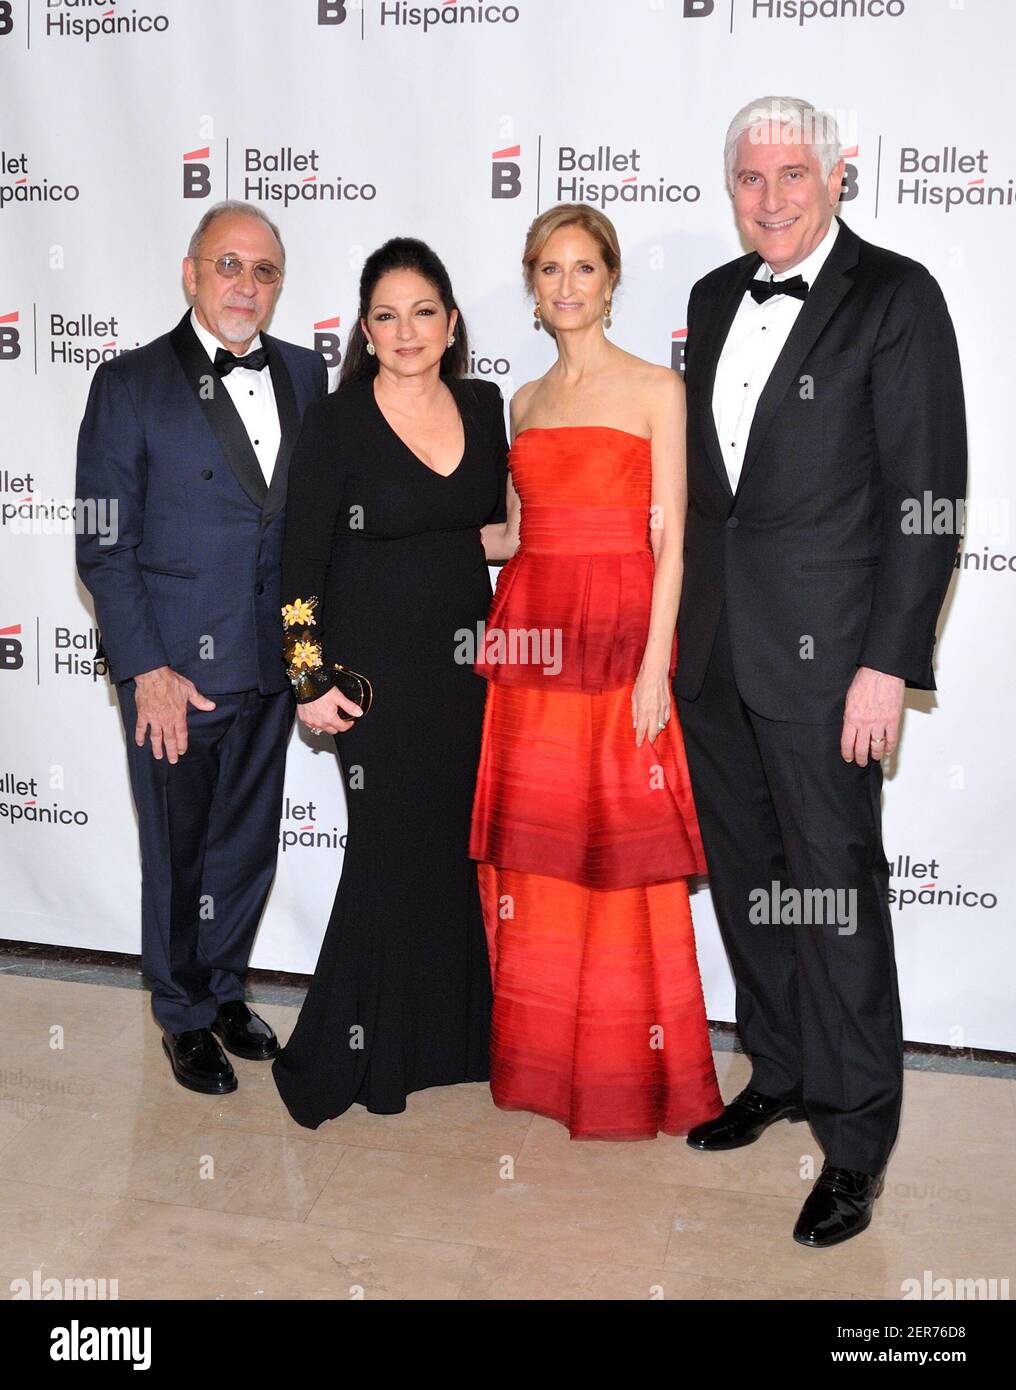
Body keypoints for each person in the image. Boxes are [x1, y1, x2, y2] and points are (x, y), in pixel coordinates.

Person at [676, 96, 967, 1245]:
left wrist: (886, 665)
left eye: (792, 174)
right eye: (750, 178)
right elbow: (713, 497)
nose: (770, 198)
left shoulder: (894, 296)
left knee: (835, 897)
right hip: (715, 658)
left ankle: (854, 1140)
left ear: (837, 176)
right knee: (752, 885)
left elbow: (924, 499)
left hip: (828, 664)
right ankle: (780, 1068)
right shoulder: (708, 297)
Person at [471, 203, 723, 1141]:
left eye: (584, 268)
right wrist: (394, 529)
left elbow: (676, 543)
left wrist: (656, 664)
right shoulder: (522, 403)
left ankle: (631, 1070)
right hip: (532, 642)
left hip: (621, 639)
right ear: (532, 289)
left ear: (612, 280)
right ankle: (543, 1066)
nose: (567, 286)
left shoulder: (659, 388)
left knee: (622, 859)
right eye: (549, 270)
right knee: (536, 857)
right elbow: (514, 532)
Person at [75, 201, 328, 1094]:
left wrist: (306, 667)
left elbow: (308, 536)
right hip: (174, 675)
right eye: (228, 265)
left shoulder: (305, 372)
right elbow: (103, 544)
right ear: (190, 273)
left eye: (263, 271)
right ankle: (180, 1013)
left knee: (245, 848)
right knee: (179, 853)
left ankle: (223, 990)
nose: (245, 285)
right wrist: (146, 671)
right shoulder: (129, 383)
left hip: (268, 669)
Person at [271, 238, 508, 1128]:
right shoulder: (335, 424)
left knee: (451, 854)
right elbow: (297, 567)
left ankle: (448, 1042)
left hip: (468, 673)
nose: (405, 331)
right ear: (363, 331)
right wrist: (307, 680)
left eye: (422, 312)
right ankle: (358, 1054)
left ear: (450, 322)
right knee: (383, 854)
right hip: (371, 679)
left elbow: (488, 532)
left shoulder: (484, 407)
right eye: (384, 315)